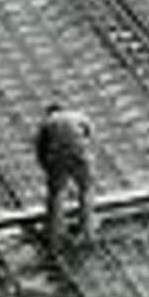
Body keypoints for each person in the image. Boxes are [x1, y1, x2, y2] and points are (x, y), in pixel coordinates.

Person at [34, 103, 95, 253]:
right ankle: (87, 230)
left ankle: (54, 233)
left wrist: (50, 173)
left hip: (57, 156)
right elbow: (90, 136)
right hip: (81, 154)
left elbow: (40, 151)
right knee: (86, 190)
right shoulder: (79, 116)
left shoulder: (47, 123)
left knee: (56, 195)